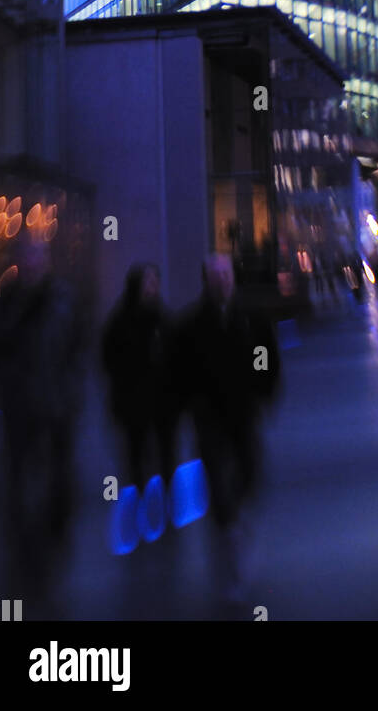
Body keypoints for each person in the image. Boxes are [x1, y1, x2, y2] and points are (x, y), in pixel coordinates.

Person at [175, 253, 281, 602]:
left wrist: (263, 393)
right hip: (210, 418)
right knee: (218, 483)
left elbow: (265, 360)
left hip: (243, 412)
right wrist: (190, 406)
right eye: (215, 275)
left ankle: (237, 530)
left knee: (248, 475)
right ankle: (229, 542)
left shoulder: (250, 321)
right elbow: (182, 373)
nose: (222, 281)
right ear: (207, 280)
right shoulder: (192, 325)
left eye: (225, 274)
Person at [0, 240, 83, 597]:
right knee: (20, 469)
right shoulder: (8, 300)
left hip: (55, 398)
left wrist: (70, 387)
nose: (32, 265)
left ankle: (53, 524)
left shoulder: (63, 299)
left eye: (37, 259)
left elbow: (75, 345)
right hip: (20, 401)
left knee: (56, 467)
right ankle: (23, 533)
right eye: (27, 260)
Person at [101, 264, 179, 493]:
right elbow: (110, 359)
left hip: (161, 400)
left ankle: (163, 495)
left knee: (165, 451)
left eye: (155, 282)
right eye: (148, 282)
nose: (152, 287)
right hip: (132, 400)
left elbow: (175, 356)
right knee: (135, 451)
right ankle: (141, 493)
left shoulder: (163, 319)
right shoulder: (120, 321)